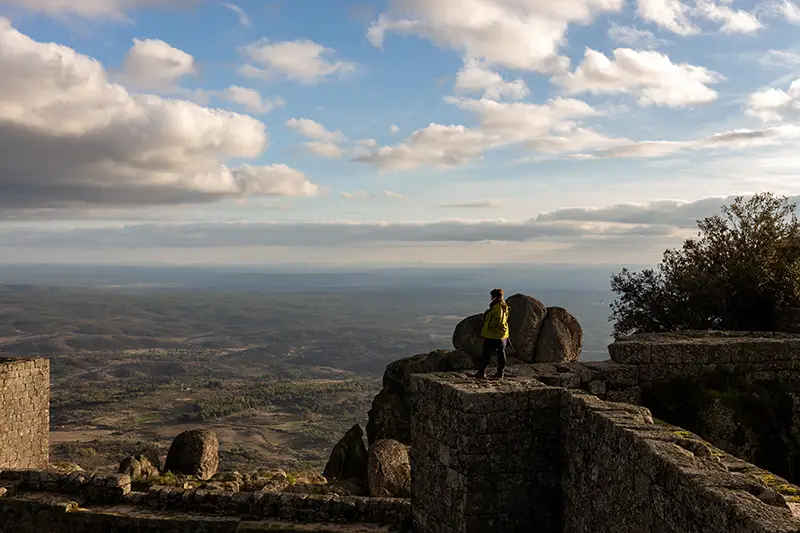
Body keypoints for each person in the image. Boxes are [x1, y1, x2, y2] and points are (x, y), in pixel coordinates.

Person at [471, 288, 509, 380]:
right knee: (500, 353)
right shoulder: (503, 305)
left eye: (492, 296)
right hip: (501, 334)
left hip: (495, 334)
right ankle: (500, 373)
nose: (491, 298)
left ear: (495, 297)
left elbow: (498, 320)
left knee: (486, 353)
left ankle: (482, 372)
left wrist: (490, 326)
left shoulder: (498, 307)